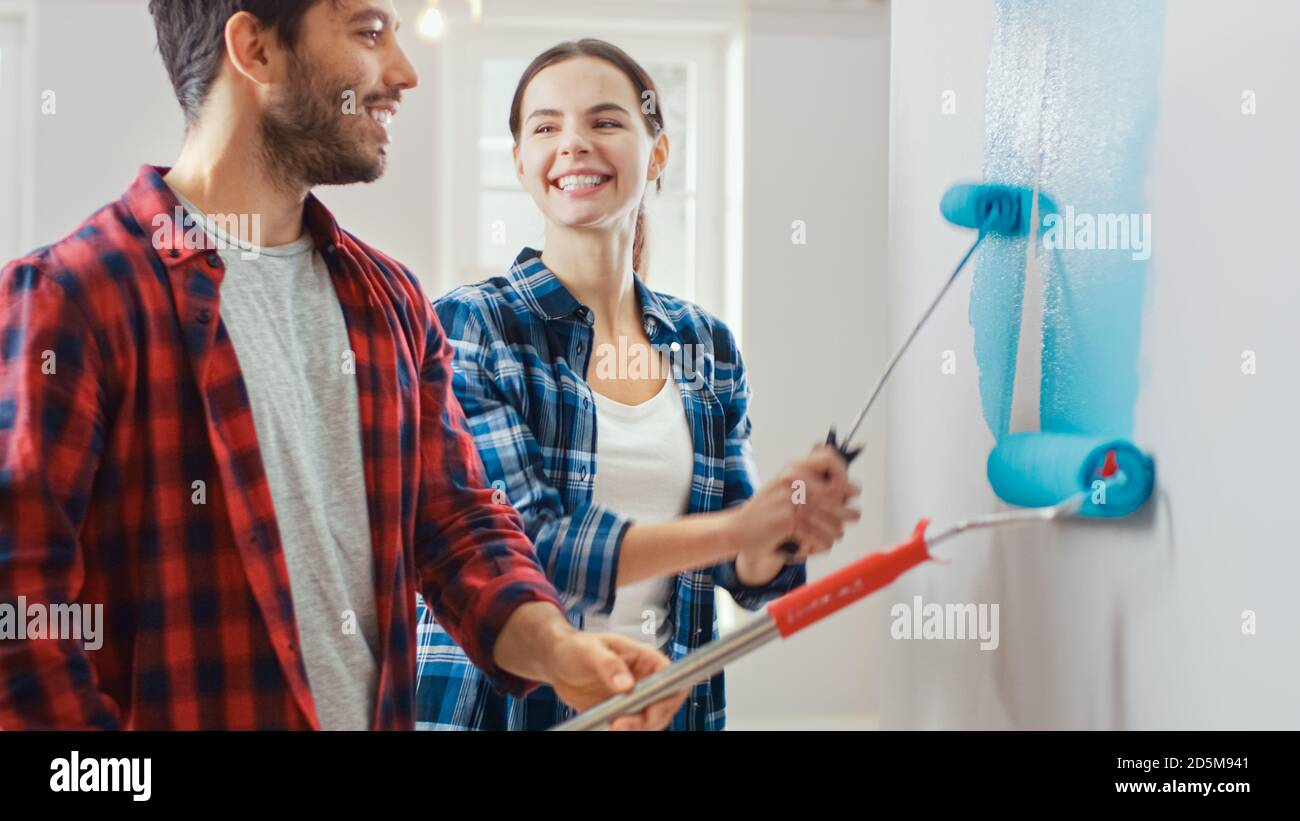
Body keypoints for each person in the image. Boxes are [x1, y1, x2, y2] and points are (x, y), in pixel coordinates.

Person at [0, 1, 685, 731]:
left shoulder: (389, 300)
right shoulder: (72, 298)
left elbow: (454, 528)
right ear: (256, 51)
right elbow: (20, 619)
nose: (403, 71)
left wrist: (557, 649)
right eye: (368, 31)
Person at [415, 39, 861, 730]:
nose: (573, 144)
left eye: (605, 121)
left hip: (663, 711)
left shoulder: (703, 344)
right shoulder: (474, 324)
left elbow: (741, 570)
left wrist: (782, 522)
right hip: (502, 713)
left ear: (657, 153)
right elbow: (529, 548)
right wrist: (741, 525)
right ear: (521, 163)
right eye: (546, 127)